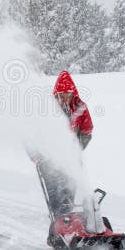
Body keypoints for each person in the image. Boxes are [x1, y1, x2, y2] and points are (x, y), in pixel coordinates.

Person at [33, 70, 102, 239]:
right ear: (56, 93)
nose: (64, 98)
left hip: (71, 159)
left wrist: (76, 148)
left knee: (70, 196)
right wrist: (35, 153)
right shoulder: (46, 108)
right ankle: (57, 235)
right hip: (49, 161)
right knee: (57, 200)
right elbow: (31, 133)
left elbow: (87, 131)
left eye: (67, 94)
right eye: (61, 94)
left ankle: (71, 230)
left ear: (73, 93)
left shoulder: (80, 107)